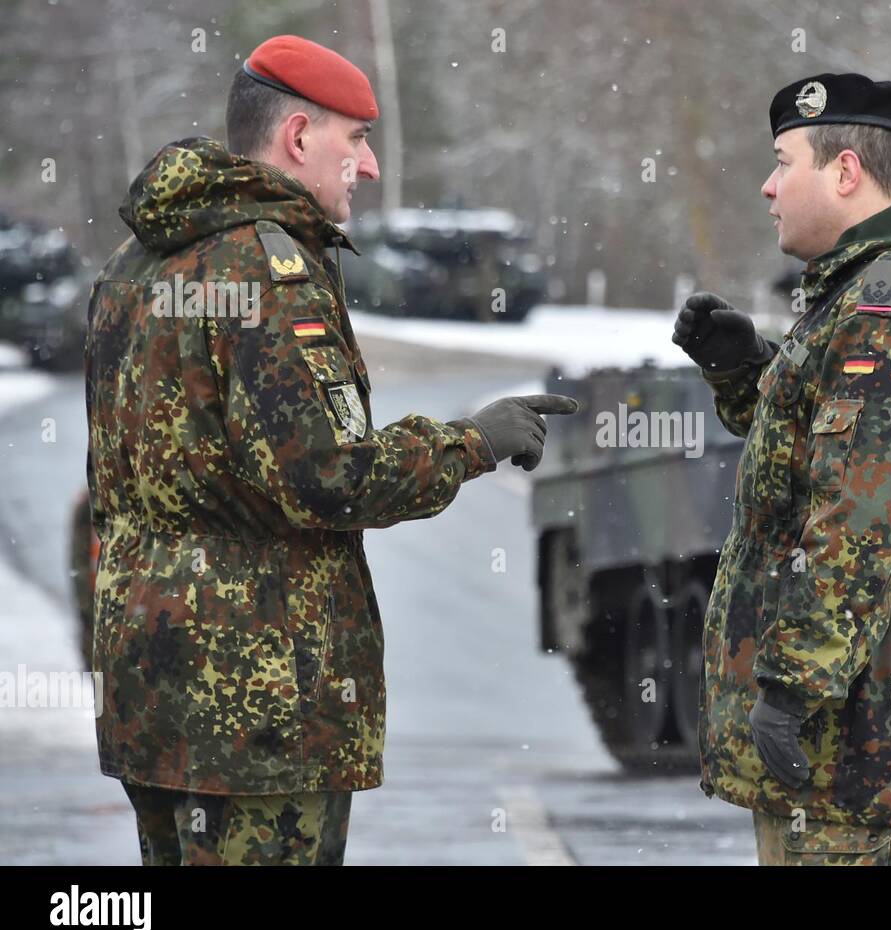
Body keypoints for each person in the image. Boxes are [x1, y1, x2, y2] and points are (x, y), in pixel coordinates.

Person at [85, 34, 576, 865]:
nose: (371, 166)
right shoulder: (270, 272)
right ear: (299, 137)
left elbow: (114, 485)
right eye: (356, 139)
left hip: (153, 687)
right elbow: (327, 476)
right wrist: (470, 442)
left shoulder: (137, 260)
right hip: (256, 701)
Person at [674, 73, 891, 865]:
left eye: (782, 161)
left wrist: (793, 686)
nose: (767, 186)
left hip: (856, 736)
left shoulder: (890, 306)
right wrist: (750, 374)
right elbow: (849, 459)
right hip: (872, 718)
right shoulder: (885, 292)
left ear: (844, 173)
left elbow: (864, 524)